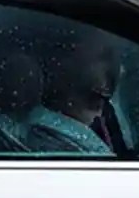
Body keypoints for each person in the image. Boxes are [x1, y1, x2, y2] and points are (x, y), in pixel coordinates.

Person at [31, 27, 133, 157]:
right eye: (104, 57)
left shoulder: (113, 111)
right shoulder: (47, 138)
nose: (118, 68)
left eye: (119, 57)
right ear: (67, 63)